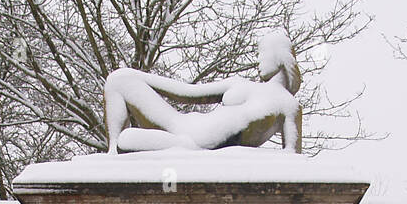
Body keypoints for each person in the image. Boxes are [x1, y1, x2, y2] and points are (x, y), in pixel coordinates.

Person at [103, 31, 302, 154]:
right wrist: (145, 79)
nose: (259, 60)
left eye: (262, 54)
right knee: (119, 79)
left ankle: (169, 147)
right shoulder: (242, 84)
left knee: (128, 139)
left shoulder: (288, 105)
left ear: (279, 56)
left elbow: (291, 157)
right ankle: (113, 153)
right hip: (182, 125)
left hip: (191, 145)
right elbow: (188, 92)